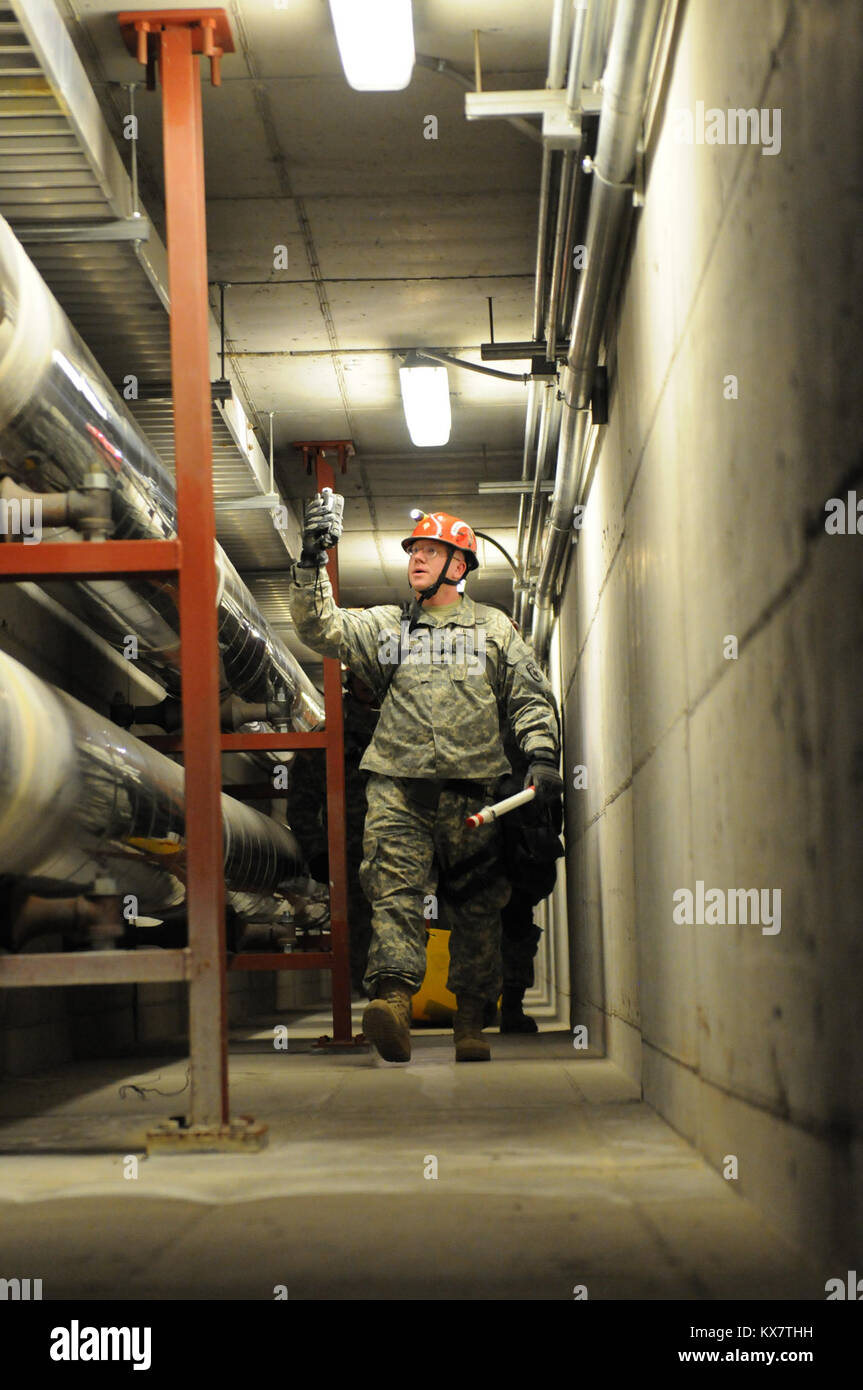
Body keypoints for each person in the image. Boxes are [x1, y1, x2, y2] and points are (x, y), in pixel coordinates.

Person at [289, 502, 563, 1063]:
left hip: (475, 789)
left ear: (458, 567)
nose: (416, 559)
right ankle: (392, 1001)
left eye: (430, 551)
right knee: (391, 891)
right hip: (398, 785)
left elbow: (530, 697)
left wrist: (541, 755)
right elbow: (322, 626)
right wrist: (311, 561)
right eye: (414, 551)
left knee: (478, 905)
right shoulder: (390, 628)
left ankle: (470, 1019)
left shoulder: (494, 631)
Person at [285, 670, 379, 993]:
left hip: (405, 852)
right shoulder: (330, 736)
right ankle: (377, 1003)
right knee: (361, 932)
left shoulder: (408, 727)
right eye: (362, 674)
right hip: (353, 857)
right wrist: (318, 853)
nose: (368, 683)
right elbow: (301, 804)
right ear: (350, 681)